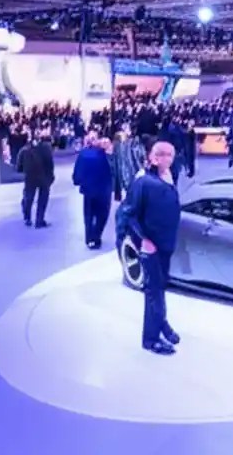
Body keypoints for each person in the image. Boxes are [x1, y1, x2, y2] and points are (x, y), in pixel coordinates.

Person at [119, 141, 182, 356]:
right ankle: (151, 338)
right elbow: (129, 214)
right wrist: (143, 240)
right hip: (151, 246)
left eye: (170, 154)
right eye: (162, 154)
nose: (167, 158)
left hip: (166, 243)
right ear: (153, 156)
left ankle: (161, 324)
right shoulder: (143, 181)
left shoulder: (168, 176)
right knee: (153, 291)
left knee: (161, 286)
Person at [73, 133, 114, 249]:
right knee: (102, 215)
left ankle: (89, 238)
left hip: (88, 189)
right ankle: (96, 236)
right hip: (104, 189)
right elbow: (113, 170)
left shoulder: (83, 154)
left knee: (89, 215)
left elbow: (77, 172)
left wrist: (77, 181)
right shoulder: (106, 155)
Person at [17, 130, 55, 228]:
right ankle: (39, 220)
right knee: (43, 199)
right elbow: (50, 164)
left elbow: (19, 167)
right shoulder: (47, 148)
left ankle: (27, 217)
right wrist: (51, 176)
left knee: (28, 197)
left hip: (30, 177)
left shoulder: (23, 150)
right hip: (44, 177)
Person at [113, 128, 143, 202]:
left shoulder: (119, 146)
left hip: (125, 171)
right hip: (129, 170)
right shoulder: (130, 144)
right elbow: (139, 155)